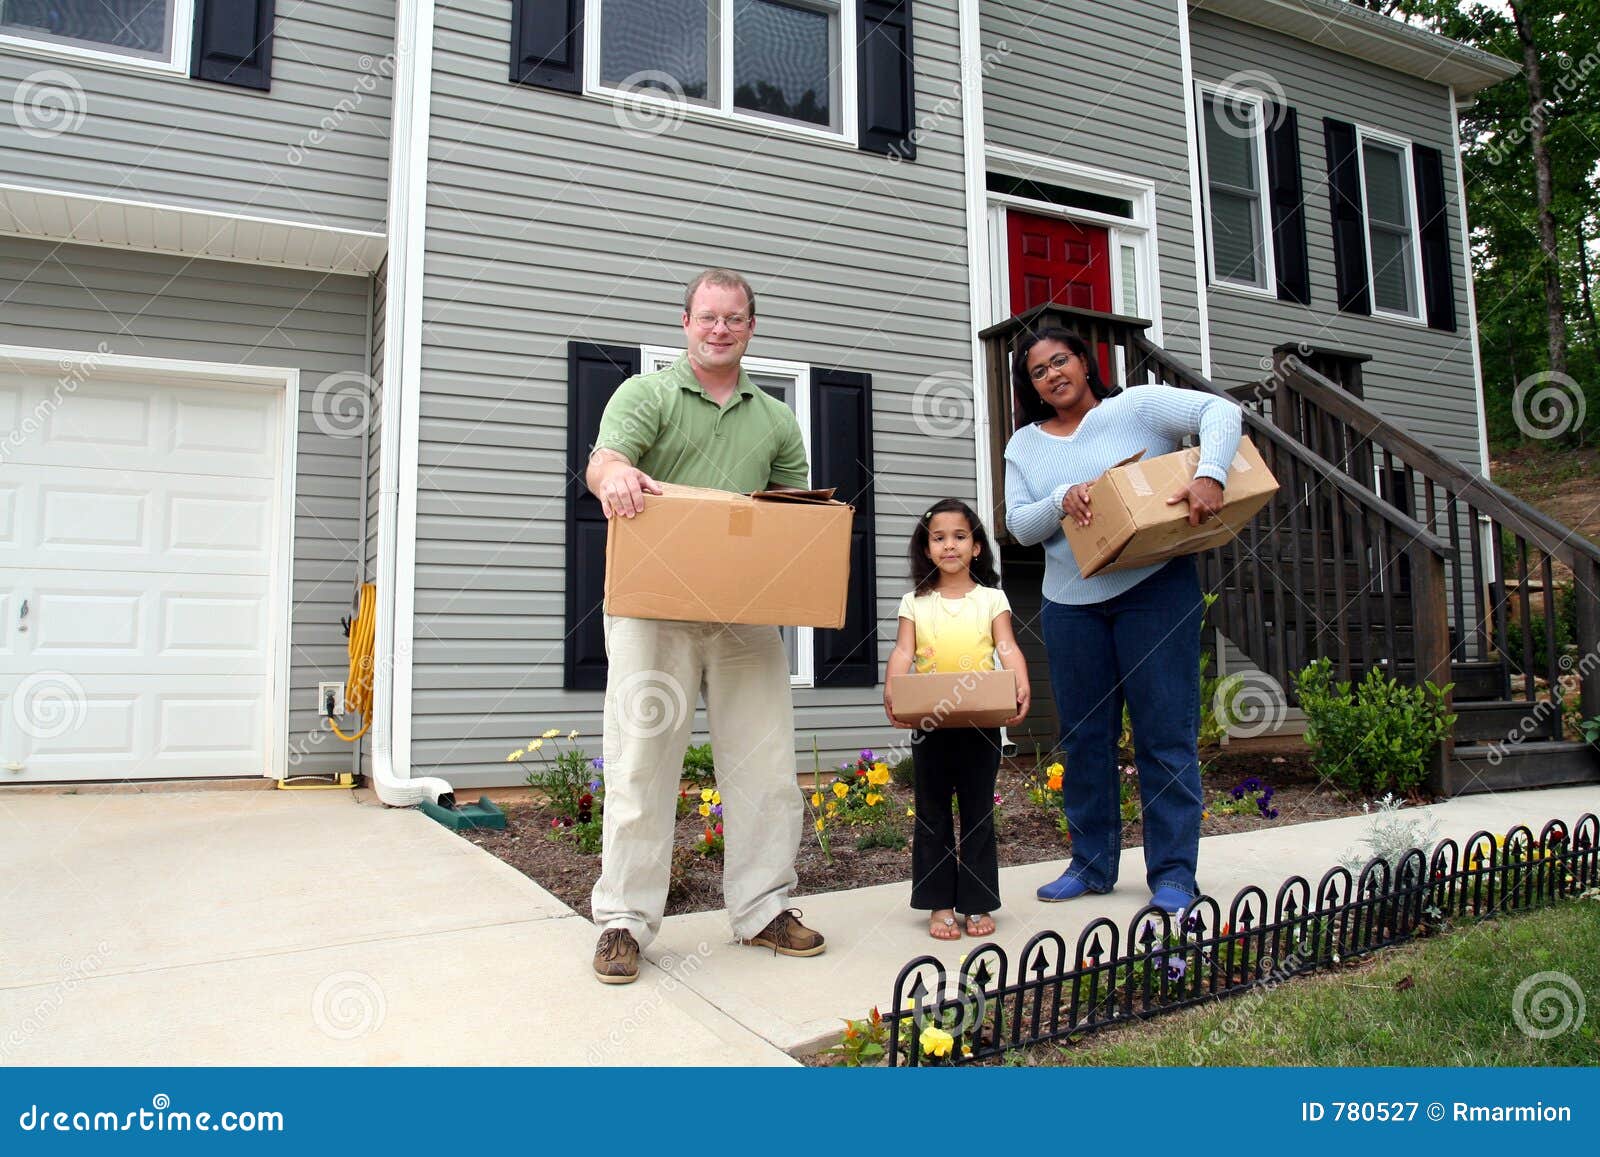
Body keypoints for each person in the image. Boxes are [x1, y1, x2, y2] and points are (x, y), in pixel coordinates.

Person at [584, 268, 825, 984]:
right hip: (652, 608)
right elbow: (605, 460)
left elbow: (794, 515)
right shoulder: (648, 393)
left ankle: (762, 908)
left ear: (751, 328)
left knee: (766, 764)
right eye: (707, 317)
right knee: (638, 760)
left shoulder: (776, 419)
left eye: (734, 318)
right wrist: (616, 478)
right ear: (686, 323)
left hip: (743, 611)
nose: (720, 329)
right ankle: (622, 920)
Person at [1003, 328, 1242, 915]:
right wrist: (1062, 496)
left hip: (1155, 590)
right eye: (1038, 371)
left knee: (1164, 735)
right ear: (1030, 386)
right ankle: (1091, 864)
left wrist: (1210, 473)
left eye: (1061, 360)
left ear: (1085, 362)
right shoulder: (1023, 447)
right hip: (1070, 605)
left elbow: (1222, 410)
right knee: (1085, 740)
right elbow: (1019, 527)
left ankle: (1173, 875)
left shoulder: (1135, 406)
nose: (1053, 374)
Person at [884, 499, 1030, 941]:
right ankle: (940, 903)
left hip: (980, 725)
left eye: (960, 537)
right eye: (939, 538)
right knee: (932, 813)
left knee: (978, 812)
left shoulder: (991, 599)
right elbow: (904, 652)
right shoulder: (915, 603)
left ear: (977, 548)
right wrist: (895, 688)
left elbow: (1006, 646)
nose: (950, 545)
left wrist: (1021, 683)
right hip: (930, 726)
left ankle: (978, 901)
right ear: (926, 549)